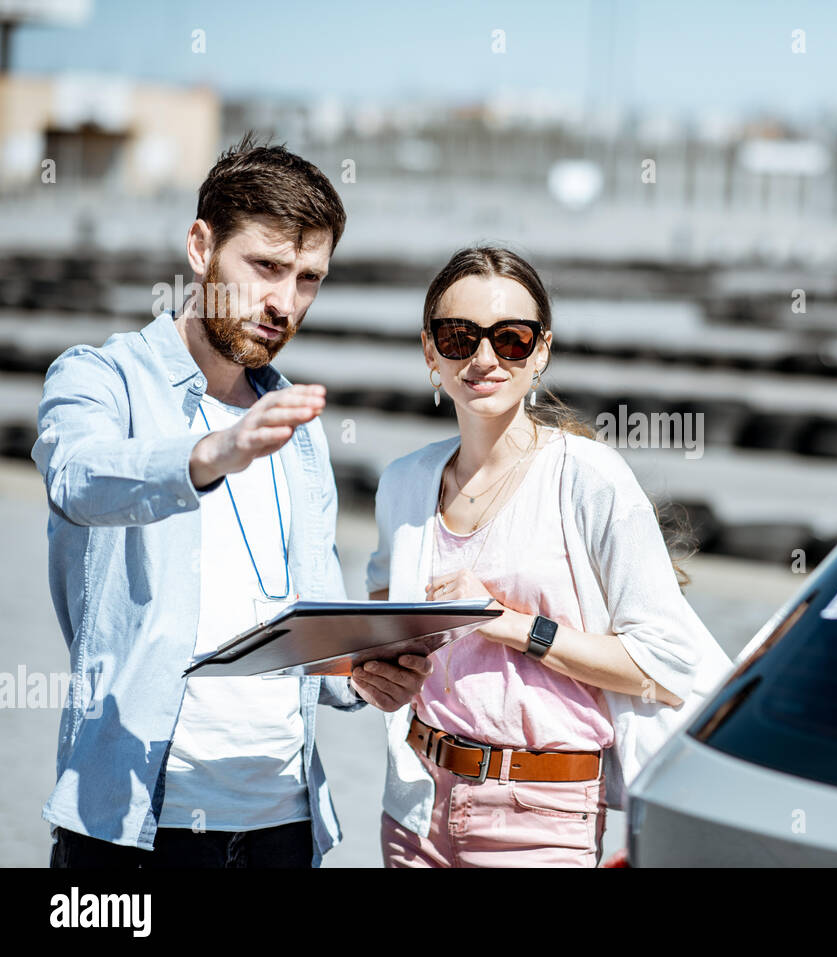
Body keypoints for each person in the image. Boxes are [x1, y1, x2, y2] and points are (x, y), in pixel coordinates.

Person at [32, 134, 430, 868]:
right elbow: (78, 479)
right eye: (267, 266)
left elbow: (299, 621)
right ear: (199, 247)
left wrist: (365, 668)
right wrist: (211, 453)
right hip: (134, 827)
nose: (285, 301)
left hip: (284, 824)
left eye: (309, 277)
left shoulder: (296, 429)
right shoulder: (101, 379)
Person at [366, 246, 734, 867]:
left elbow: (666, 666)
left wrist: (506, 624)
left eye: (510, 338)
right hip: (414, 804)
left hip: (542, 814)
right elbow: (386, 632)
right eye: (459, 337)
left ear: (541, 352)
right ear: (431, 352)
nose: (484, 358)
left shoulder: (591, 479)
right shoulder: (403, 483)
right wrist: (376, 675)